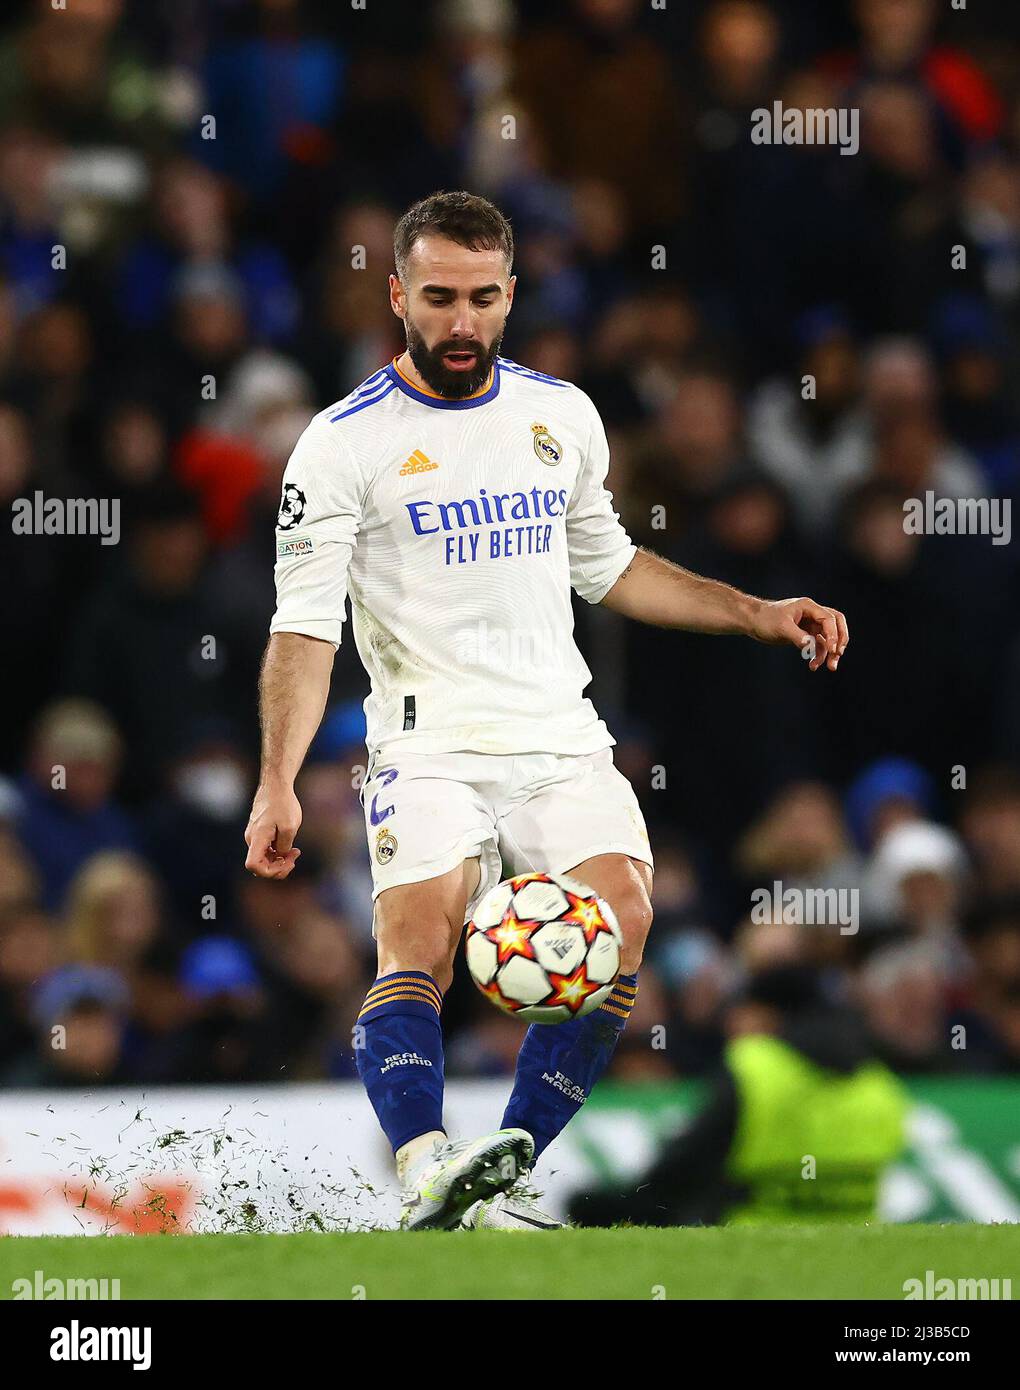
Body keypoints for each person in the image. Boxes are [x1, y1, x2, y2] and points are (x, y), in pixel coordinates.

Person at [243, 190, 849, 1232]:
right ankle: (429, 1159)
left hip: (560, 736)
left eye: (483, 297)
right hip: (427, 742)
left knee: (620, 929)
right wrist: (277, 782)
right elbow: (304, 629)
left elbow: (608, 568)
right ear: (398, 295)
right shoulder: (341, 445)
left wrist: (755, 612)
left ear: (513, 295)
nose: (462, 320)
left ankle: (503, 1167)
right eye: (438, 297)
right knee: (420, 941)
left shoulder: (559, 416)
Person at [568, 964, 908, 1227]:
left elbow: (685, 1171)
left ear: (766, 1013)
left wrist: (600, 1206)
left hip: (755, 1244)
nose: (730, 1023)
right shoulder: (878, 1081)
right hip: (854, 1249)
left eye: (740, 1010)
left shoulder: (755, 1067)